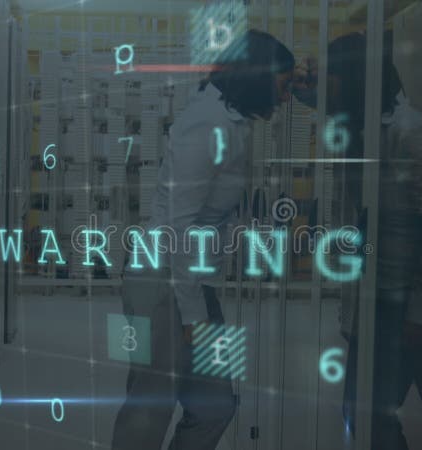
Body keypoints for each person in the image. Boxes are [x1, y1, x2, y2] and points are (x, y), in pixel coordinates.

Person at [111, 29, 295, 450]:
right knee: (149, 405)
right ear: (256, 78)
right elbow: (180, 227)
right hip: (160, 279)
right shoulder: (207, 125)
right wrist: (193, 316)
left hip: (192, 279)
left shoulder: (231, 117)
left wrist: (309, 87)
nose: (287, 98)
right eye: (284, 87)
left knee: (215, 406)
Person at [293, 32, 422, 450]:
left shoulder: (410, 133)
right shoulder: (359, 123)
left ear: (353, 80)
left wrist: (420, 313)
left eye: (331, 78)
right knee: (362, 411)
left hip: (420, 301)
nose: (325, 90)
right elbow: (320, 100)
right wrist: (303, 85)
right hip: (379, 299)